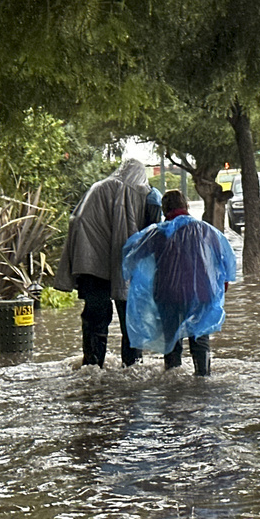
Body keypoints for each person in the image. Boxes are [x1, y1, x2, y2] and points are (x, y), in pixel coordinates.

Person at [54, 158, 162, 368]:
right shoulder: (142, 193)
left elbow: (76, 222)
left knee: (95, 318)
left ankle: (92, 366)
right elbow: (151, 234)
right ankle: (132, 367)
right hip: (120, 266)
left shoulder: (98, 188)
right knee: (131, 319)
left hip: (89, 264)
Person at [122, 190, 237, 376]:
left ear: (164, 209)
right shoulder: (206, 230)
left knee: (172, 341)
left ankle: (173, 382)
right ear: (186, 206)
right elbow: (225, 262)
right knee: (199, 336)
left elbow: (132, 257)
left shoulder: (157, 233)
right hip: (201, 293)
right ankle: (203, 377)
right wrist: (220, 288)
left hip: (169, 295)